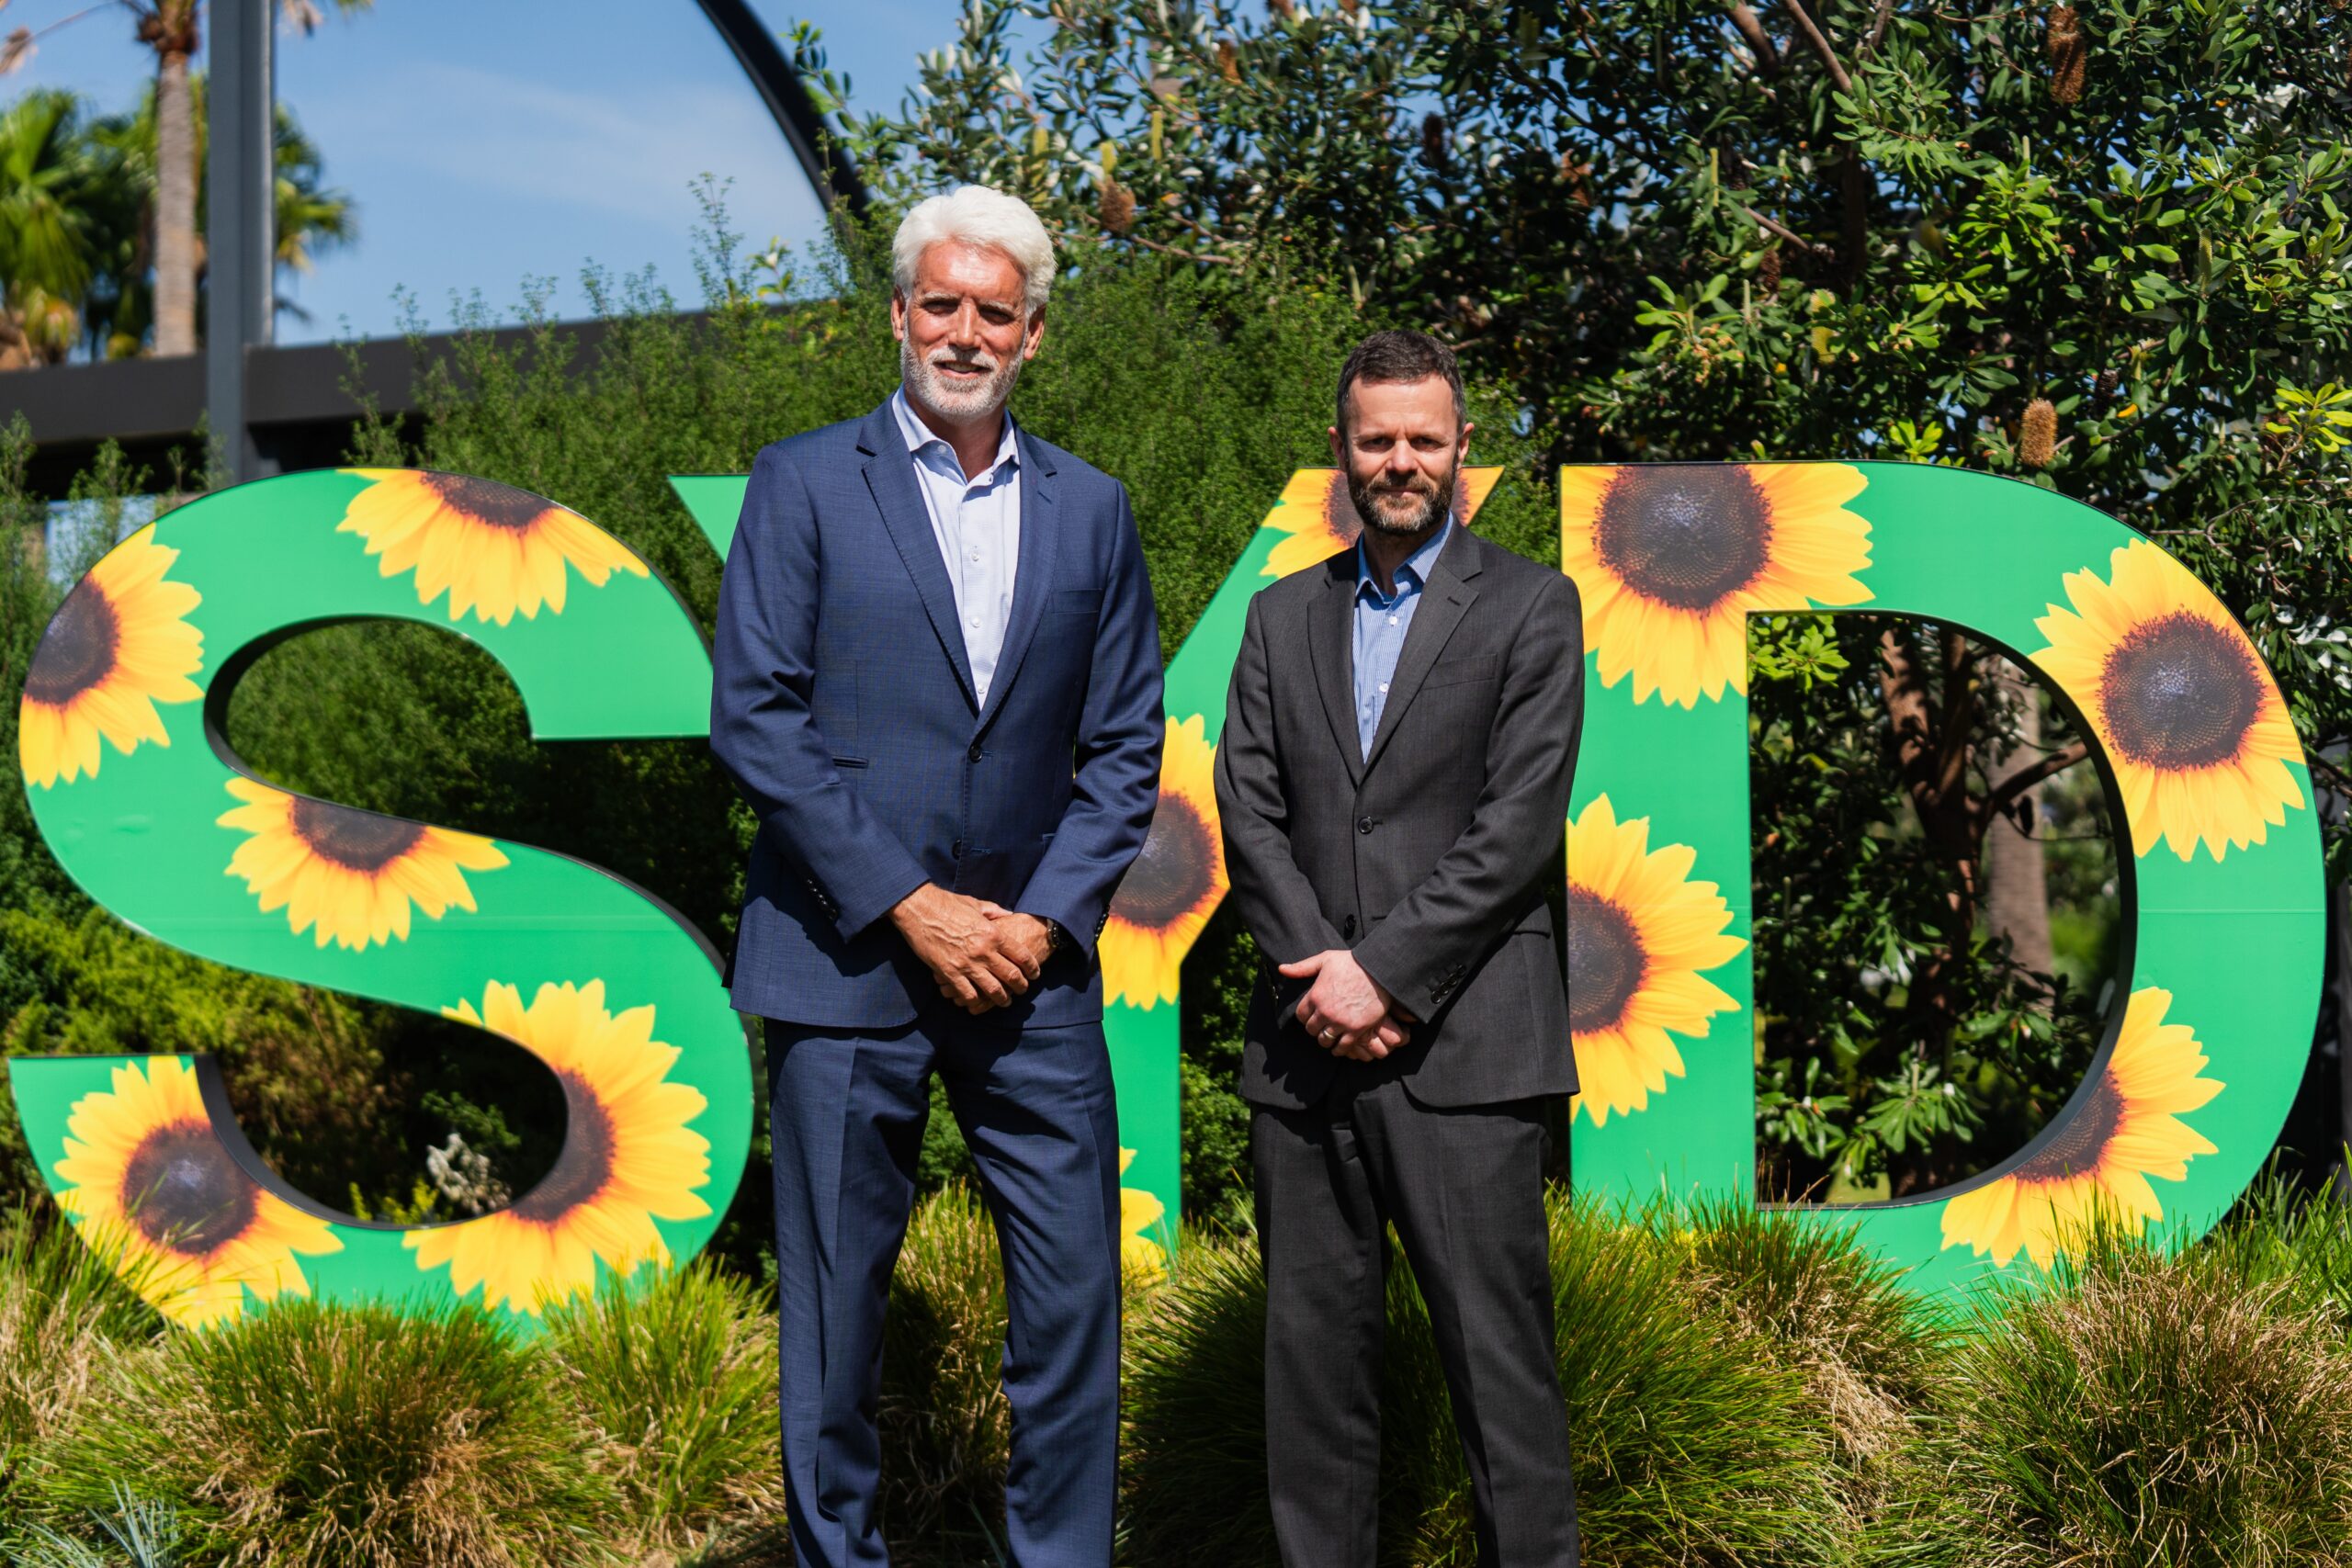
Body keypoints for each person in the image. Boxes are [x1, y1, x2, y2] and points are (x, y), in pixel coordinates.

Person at [708, 184, 1163, 1568]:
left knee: (1077, 1305)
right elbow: (757, 715)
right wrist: (912, 903)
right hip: (847, 961)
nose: (967, 332)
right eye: (943, 304)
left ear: (1034, 333)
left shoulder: (1092, 508)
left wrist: (1036, 919)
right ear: (900, 313)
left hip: (1033, 976)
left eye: (997, 311)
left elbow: (1126, 739)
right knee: (837, 1319)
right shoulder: (800, 481)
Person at [1215, 330, 1586, 1567]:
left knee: (1503, 1387)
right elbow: (1248, 809)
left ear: (1463, 450)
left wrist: (1387, 974)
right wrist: (1325, 967)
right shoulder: (1278, 618)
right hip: (1306, 1056)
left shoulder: (1535, 606)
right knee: (1313, 1391)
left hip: (1470, 1053)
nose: (1401, 461)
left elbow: (1519, 823)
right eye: (1377, 439)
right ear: (1340, 449)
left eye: (1424, 439)